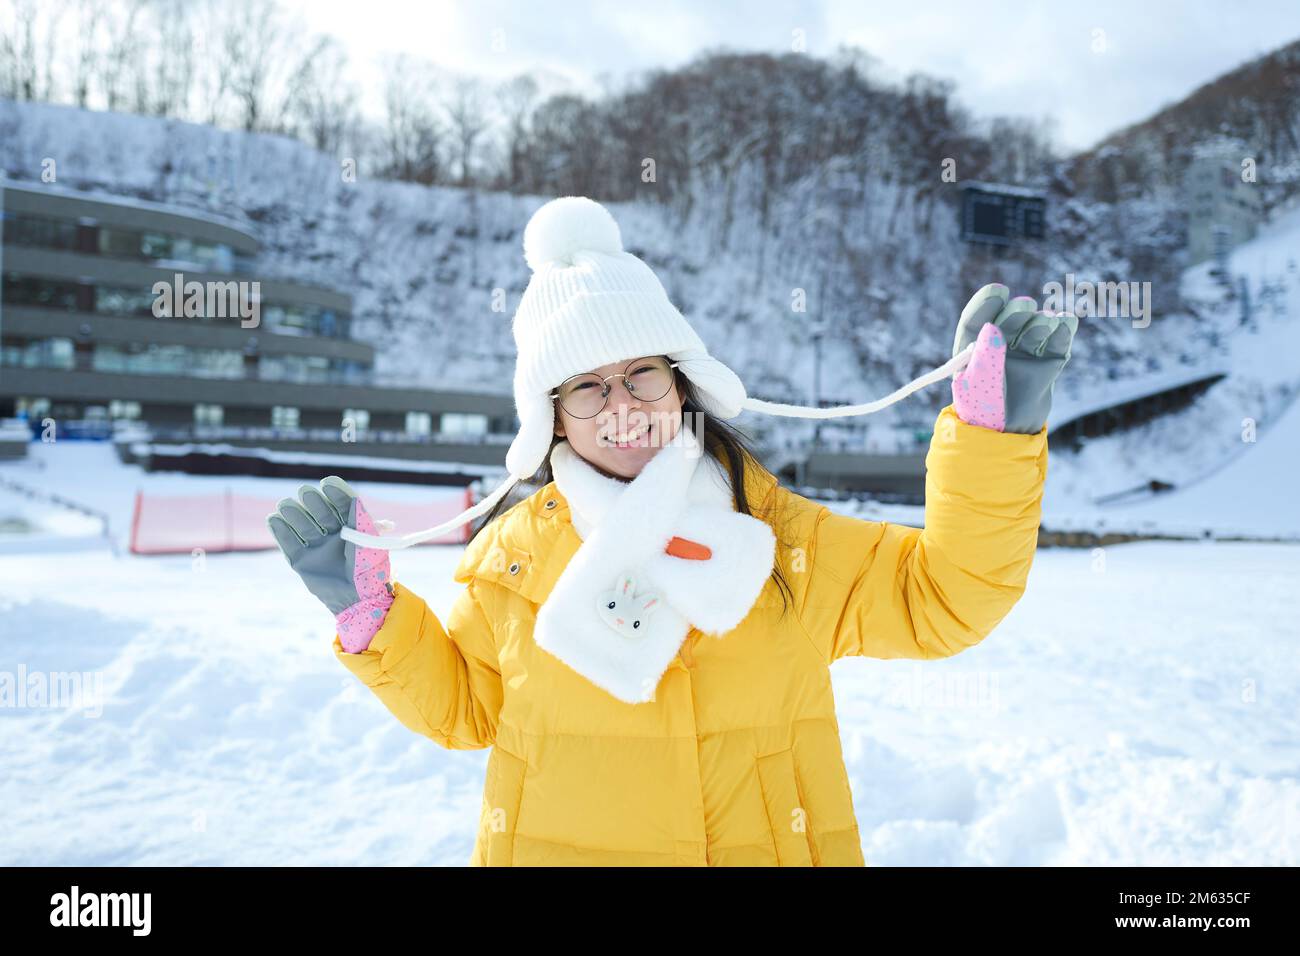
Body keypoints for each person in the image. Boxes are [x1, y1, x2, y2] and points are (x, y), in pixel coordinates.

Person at [267, 196, 1075, 866]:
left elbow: (945, 598)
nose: (621, 406)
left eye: (640, 373)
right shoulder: (512, 560)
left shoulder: (781, 538)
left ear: (680, 382)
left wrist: (992, 444)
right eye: (585, 387)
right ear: (549, 420)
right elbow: (468, 712)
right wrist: (373, 615)